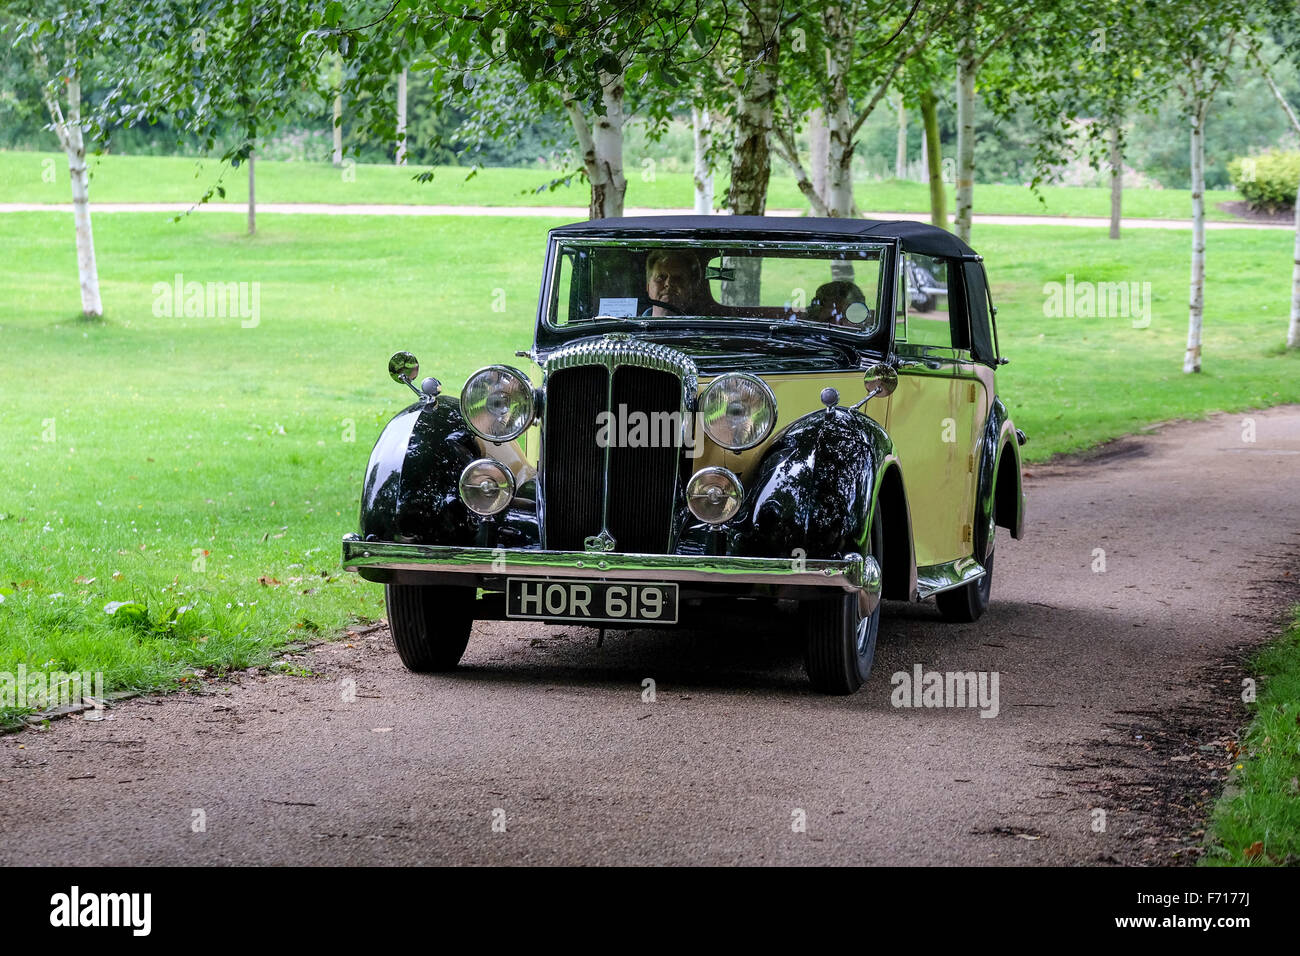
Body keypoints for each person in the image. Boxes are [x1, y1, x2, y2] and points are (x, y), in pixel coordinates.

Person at [643, 249, 705, 316]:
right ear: (648, 286)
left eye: (677, 278)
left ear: (692, 288)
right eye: (660, 277)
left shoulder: (707, 325)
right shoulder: (632, 324)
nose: (668, 283)